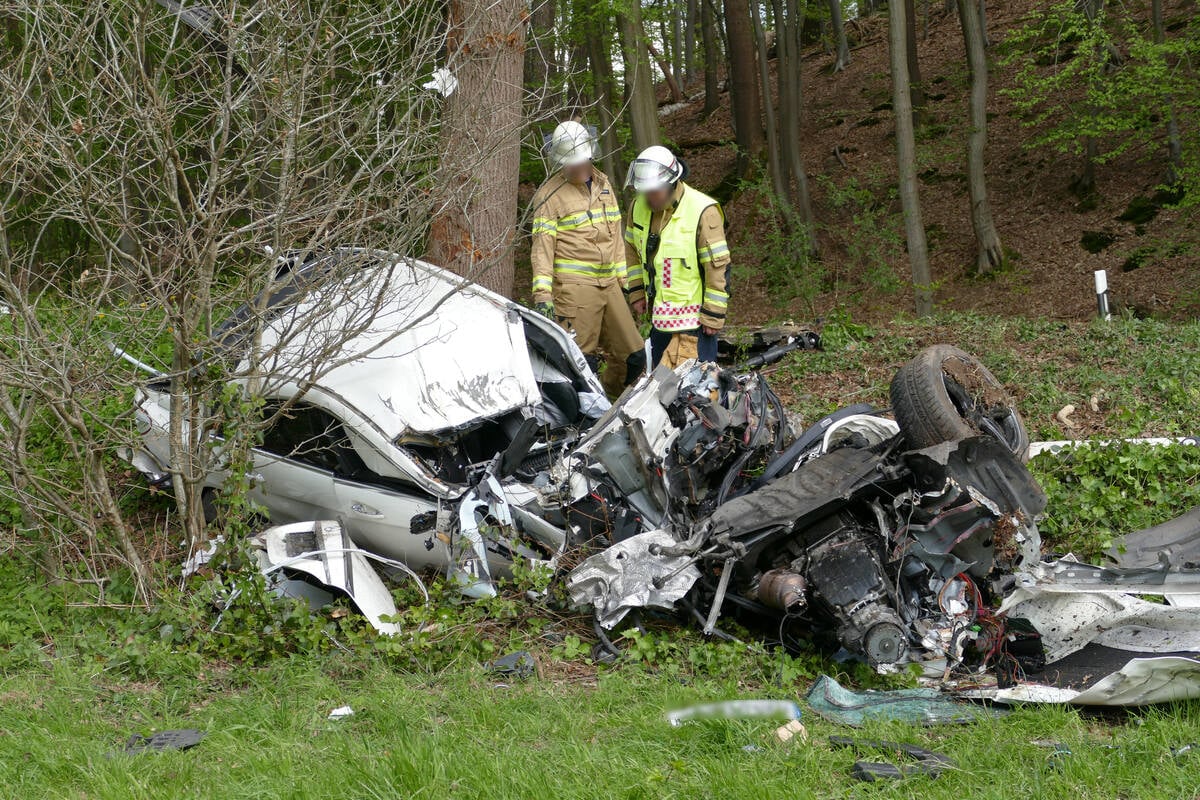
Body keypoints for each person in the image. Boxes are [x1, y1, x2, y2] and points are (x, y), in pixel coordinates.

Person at [529, 121, 646, 396]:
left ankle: (612, 400)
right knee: (582, 364)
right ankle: (589, 415)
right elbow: (542, 248)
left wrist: (625, 280)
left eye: (581, 160)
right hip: (574, 289)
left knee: (633, 356)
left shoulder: (603, 184)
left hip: (609, 284)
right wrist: (543, 295)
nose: (578, 167)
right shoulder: (549, 195)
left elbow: (616, 237)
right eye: (571, 163)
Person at [623, 146, 730, 369]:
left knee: (697, 386)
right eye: (645, 191)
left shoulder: (703, 210)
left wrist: (713, 314)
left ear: (671, 182)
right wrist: (636, 291)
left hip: (694, 323)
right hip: (659, 318)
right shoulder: (638, 207)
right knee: (660, 385)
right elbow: (632, 249)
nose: (649, 197)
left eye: (655, 191)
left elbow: (717, 267)